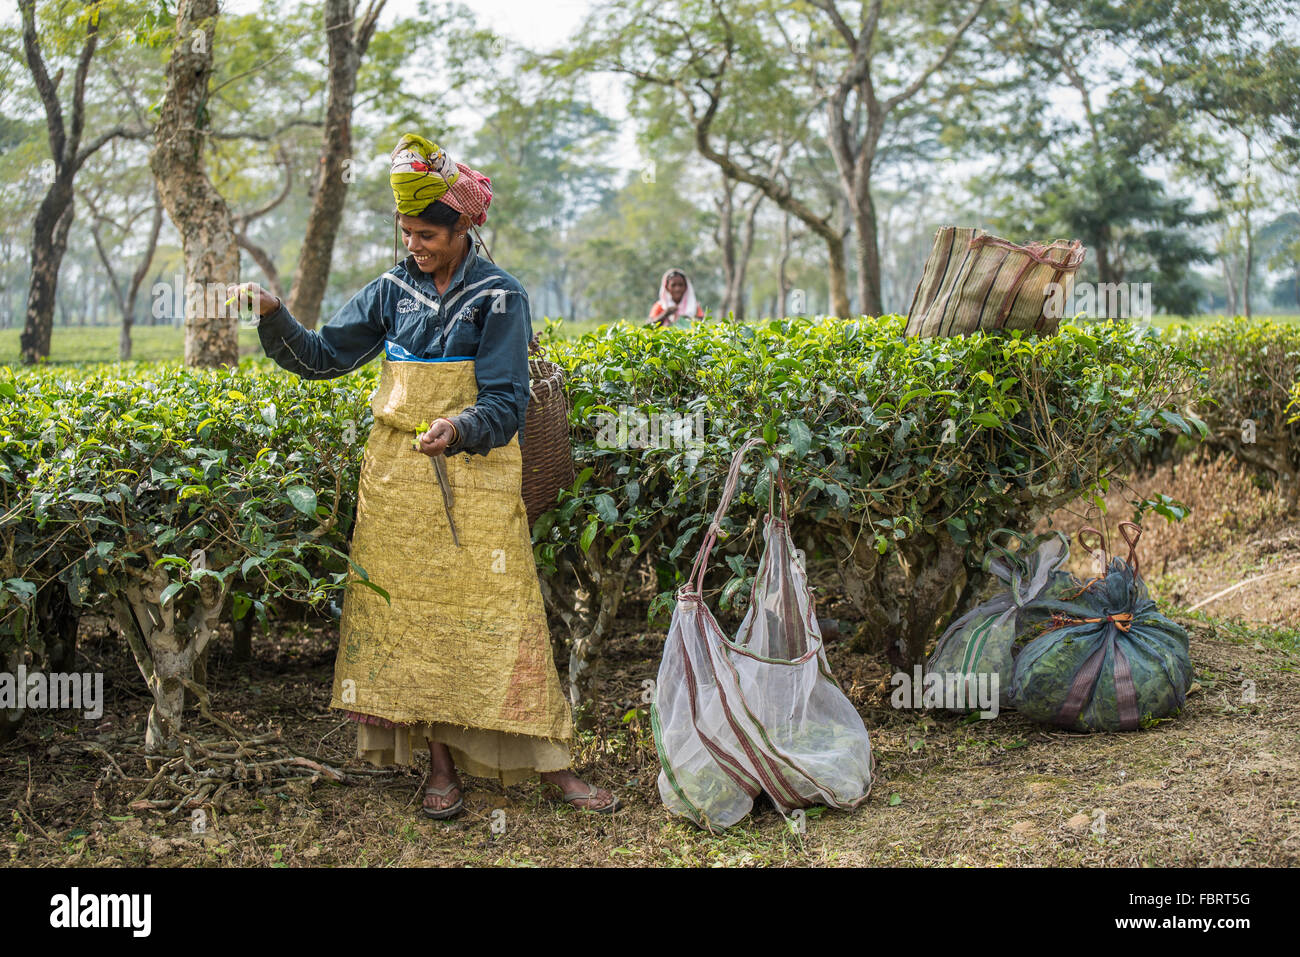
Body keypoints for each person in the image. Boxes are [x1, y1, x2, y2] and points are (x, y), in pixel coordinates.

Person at [228, 133, 618, 819]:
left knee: (506, 614)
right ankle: (438, 766)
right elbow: (322, 357)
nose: (415, 245)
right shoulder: (389, 291)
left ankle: (551, 763)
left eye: (427, 234)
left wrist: (458, 428)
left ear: (462, 226)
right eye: (407, 233)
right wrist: (272, 314)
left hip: (481, 475)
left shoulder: (499, 296)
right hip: (397, 483)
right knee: (411, 622)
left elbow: (503, 401)